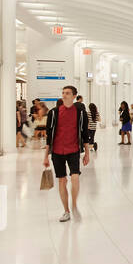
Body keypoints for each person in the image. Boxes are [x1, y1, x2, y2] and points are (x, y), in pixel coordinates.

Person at [44, 85, 91, 222]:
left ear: (74, 96)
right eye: (63, 93)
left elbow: (85, 134)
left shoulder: (80, 113)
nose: (64, 95)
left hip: (74, 150)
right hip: (57, 151)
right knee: (62, 180)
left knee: (75, 177)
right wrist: (45, 155)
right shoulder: (54, 113)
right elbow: (49, 136)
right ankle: (66, 210)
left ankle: (74, 204)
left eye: (68, 93)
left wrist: (87, 153)